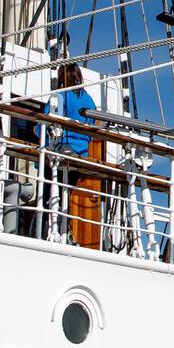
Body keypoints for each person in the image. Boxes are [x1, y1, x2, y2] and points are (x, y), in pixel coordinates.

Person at [50, 63, 101, 247]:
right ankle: (66, 231)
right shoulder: (86, 98)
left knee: (52, 193)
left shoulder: (60, 96)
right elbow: (96, 121)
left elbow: (47, 121)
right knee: (67, 191)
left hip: (61, 151)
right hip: (80, 155)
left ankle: (55, 230)